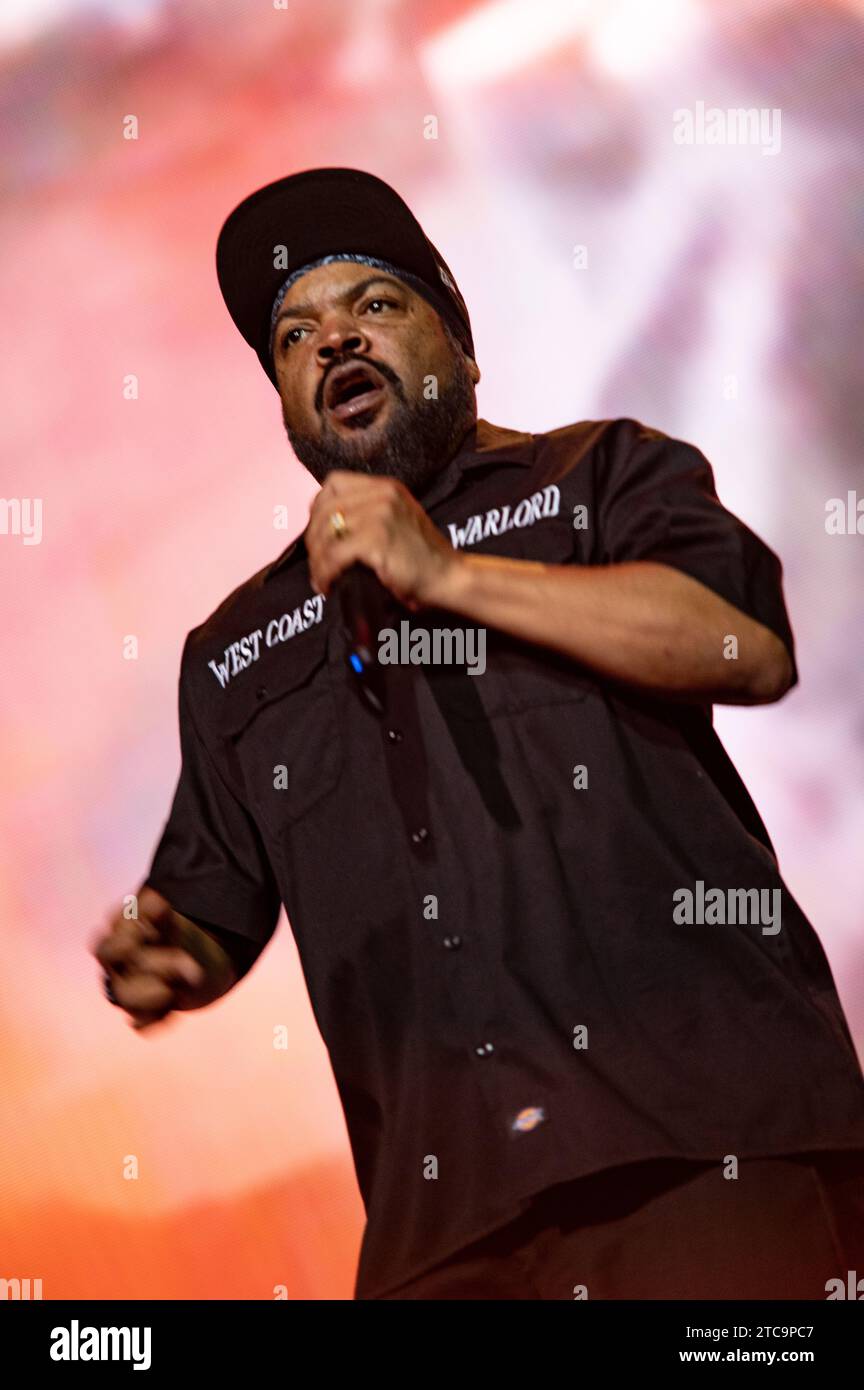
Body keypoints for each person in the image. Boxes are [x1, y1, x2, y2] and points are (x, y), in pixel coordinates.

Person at [92, 168, 864, 1301]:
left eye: (376, 305)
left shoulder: (596, 476)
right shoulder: (234, 651)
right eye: (294, 335)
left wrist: (448, 577)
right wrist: (168, 957)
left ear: (460, 340)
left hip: (706, 1164)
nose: (333, 341)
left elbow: (746, 642)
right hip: (443, 1245)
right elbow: (209, 908)